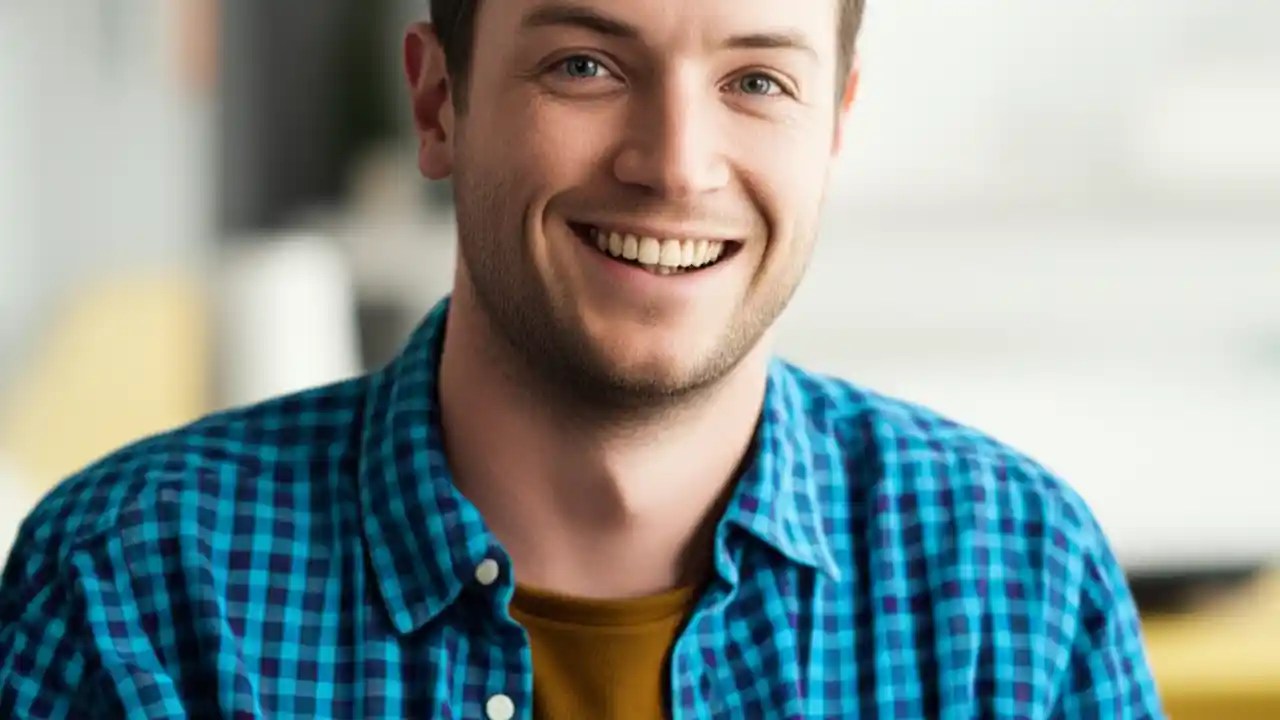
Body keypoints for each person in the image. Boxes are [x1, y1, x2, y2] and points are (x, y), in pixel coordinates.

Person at [0, 0, 1166, 717]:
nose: (675, 163)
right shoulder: (135, 587)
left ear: (834, 128)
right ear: (438, 100)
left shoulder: (1018, 583)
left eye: (756, 80)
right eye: (585, 66)